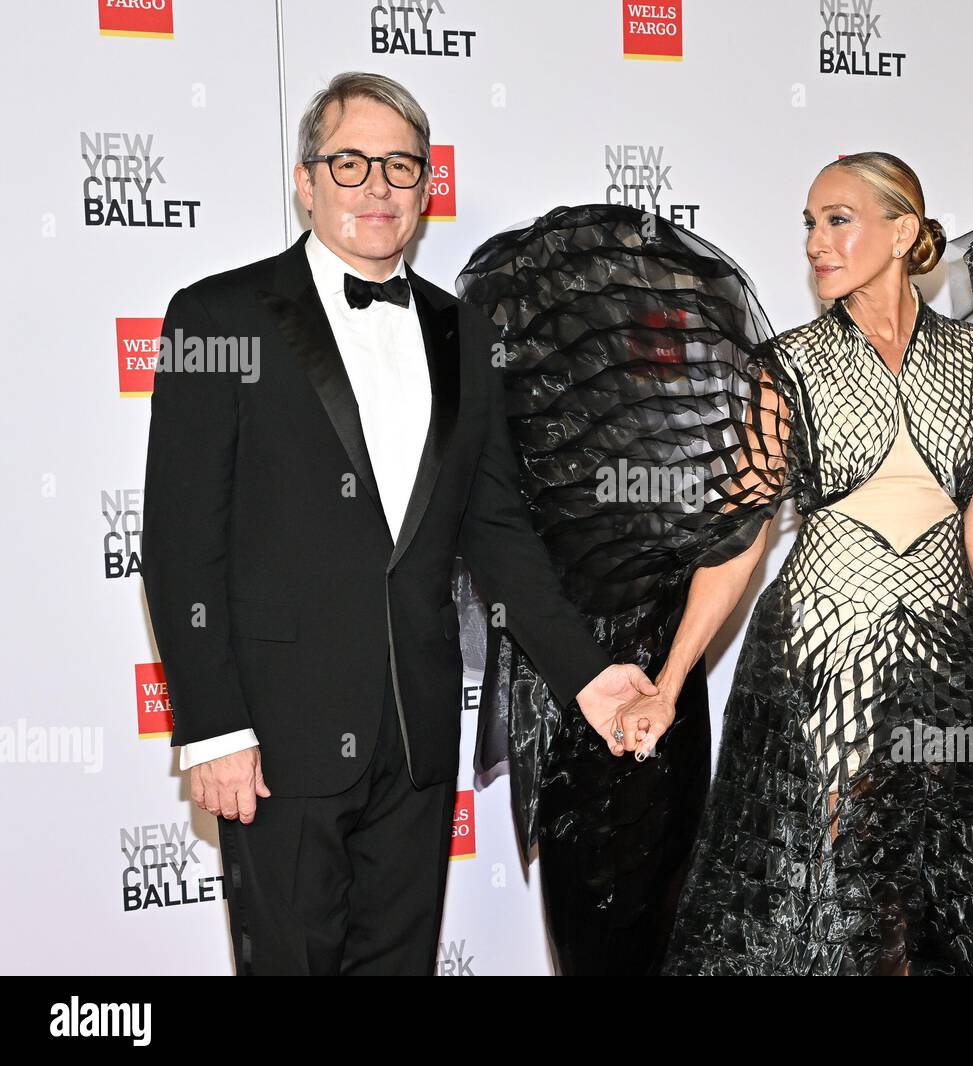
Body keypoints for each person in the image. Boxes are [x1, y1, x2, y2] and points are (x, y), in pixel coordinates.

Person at [464, 152, 973, 975]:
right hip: (823, 659)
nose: (815, 242)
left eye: (837, 219)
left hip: (955, 661)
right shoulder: (787, 365)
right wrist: (669, 677)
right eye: (809, 223)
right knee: (828, 909)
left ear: (902, 230)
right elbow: (738, 544)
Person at [141, 71, 656, 976]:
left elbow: (495, 529)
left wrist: (587, 677)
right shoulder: (216, 316)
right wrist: (215, 730)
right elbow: (181, 544)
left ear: (426, 187)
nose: (378, 186)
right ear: (306, 181)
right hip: (275, 737)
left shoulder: (466, 336)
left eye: (401, 166)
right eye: (351, 163)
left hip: (417, 736)